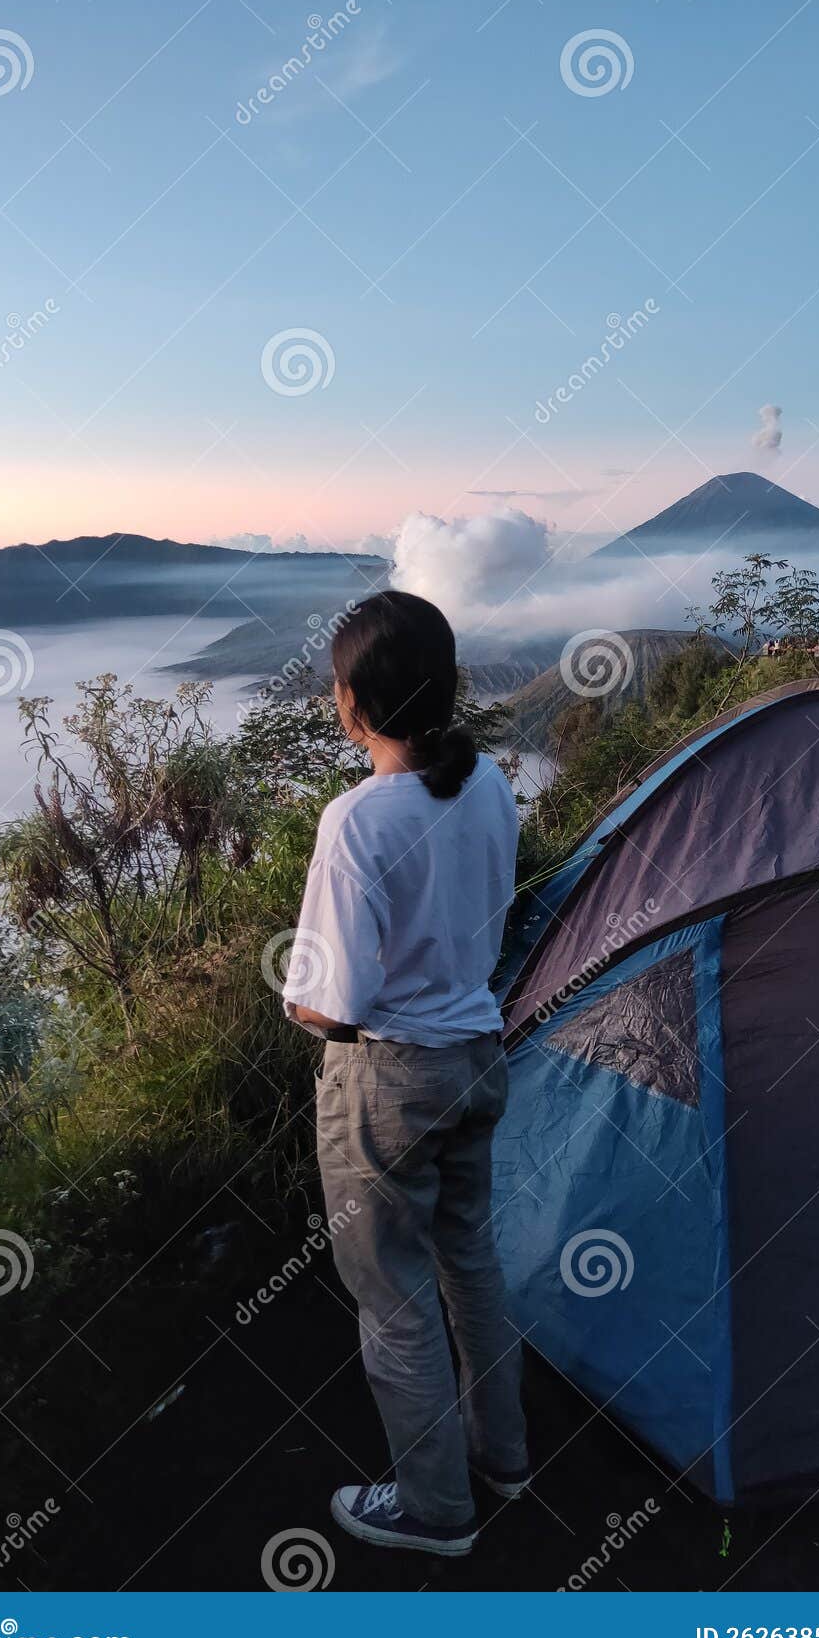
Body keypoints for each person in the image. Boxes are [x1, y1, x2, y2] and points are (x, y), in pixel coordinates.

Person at [282, 589, 529, 1558]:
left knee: (392, 1295)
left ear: (352, 705)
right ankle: (502, 1457)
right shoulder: (491, 785)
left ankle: (434, 1508)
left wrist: (291, 998)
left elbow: (333, 1003)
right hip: (476, 1055)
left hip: (389, 1081)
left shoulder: (357, 822)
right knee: (470, 1265)